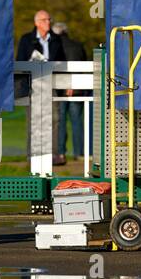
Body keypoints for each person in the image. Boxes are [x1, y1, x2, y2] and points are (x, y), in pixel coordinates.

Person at [16, 10, 67, 165]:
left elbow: (63, 62)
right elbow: (19, 61)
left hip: (51, 84)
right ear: (37, 22)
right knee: (33, 120)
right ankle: (32, 154)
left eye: (49, 19)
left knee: (55, 119)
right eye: (45, 20)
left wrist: (66, 84)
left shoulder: (57, 39)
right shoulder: (26, 40)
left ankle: (54, 154)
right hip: (33, 85)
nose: (48, 22)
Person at [52, 22, 87, 161]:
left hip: (60, 89)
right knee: (77, 121)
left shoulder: (55, 47)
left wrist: (66, 85)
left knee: (60, 122)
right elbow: (84, 64)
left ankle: (61, 152)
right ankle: (79, 153)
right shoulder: (78, 45)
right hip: (78, 89)